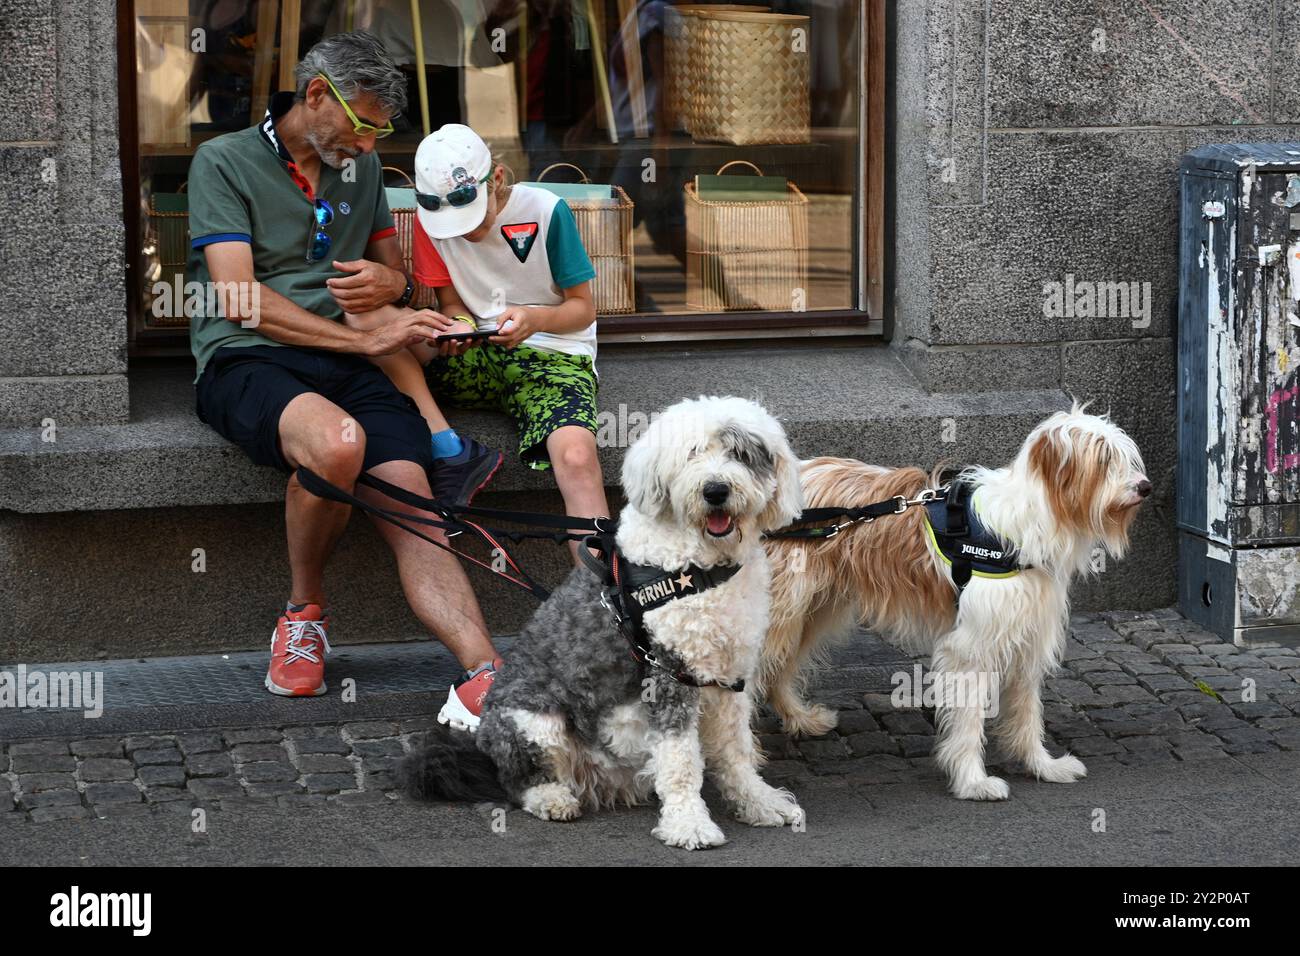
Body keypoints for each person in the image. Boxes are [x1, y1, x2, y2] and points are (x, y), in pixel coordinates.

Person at [187, 31, 502, 730]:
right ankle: (304, 614)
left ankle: (486, 674)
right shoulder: (223, 161)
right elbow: (240, 299)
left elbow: (405, 283)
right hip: (247, 355)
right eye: (362, 124)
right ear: (317, 96)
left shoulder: (362, 170)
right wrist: (369, 334)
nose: (368, 145)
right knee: (336, 444)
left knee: (417, 509)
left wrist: (396, 286)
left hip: (355, 355)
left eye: (381, 130)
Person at [346, 123, 611, 564]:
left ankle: (603, 604)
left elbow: (583, 309)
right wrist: (457, 326)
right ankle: (447, 444)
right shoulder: (432, 225)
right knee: (364, 315)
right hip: (475, 350)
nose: (464, 233)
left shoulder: (547, 211)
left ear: (499, 178)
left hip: (552, 354)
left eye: (472, 217)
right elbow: (452, 304)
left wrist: (534, 318)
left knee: (579, 457)